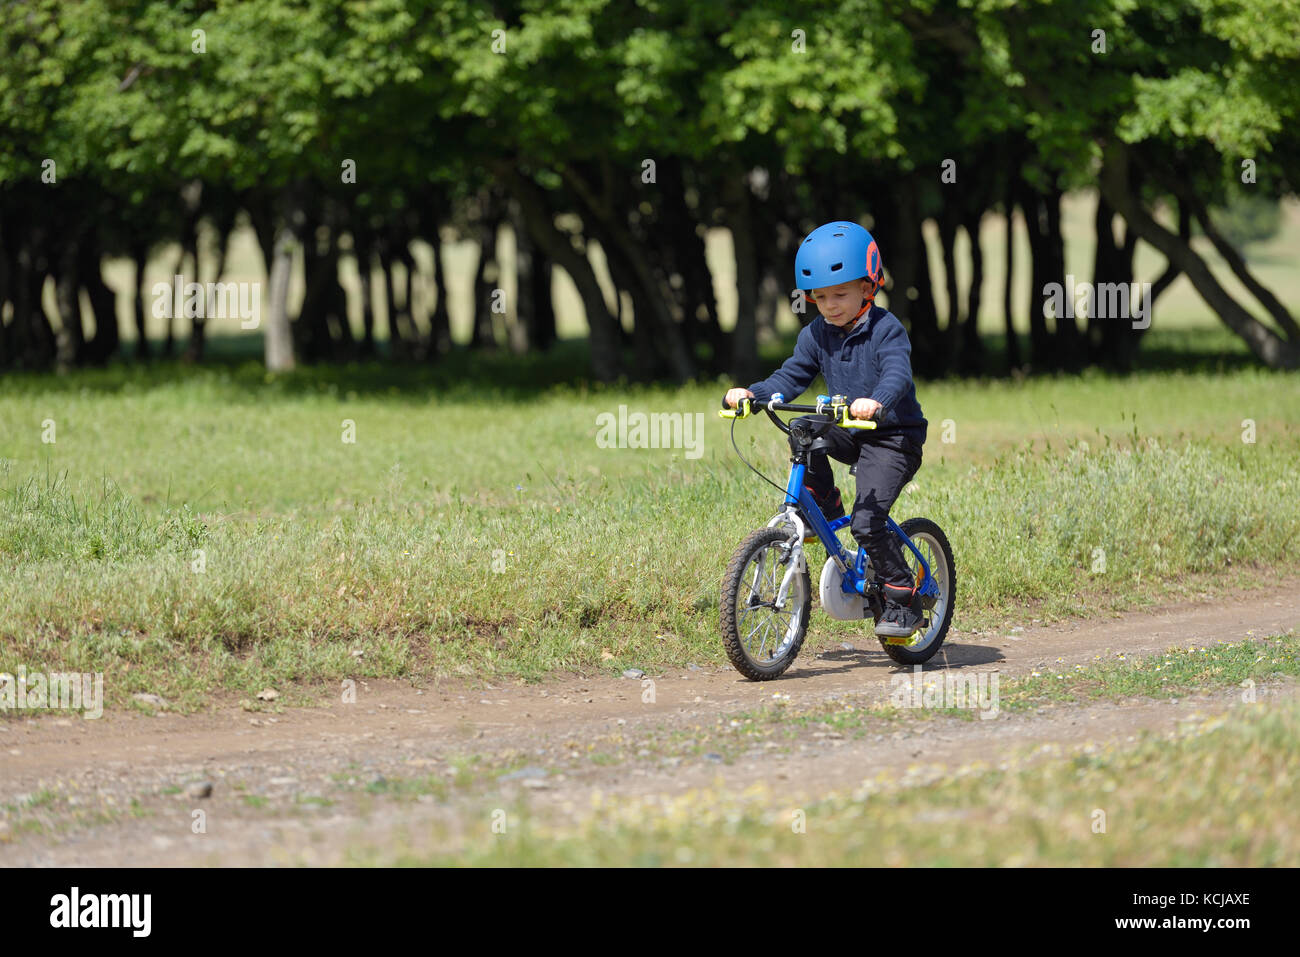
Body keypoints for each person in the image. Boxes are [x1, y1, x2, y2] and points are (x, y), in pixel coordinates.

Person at [724, 221, 928, 638]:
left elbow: (896, 375)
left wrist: (877, 401)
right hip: (849, 430)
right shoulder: (817, 333)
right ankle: (824, 505)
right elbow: (790, 376)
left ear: (869, 288)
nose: (829, 305)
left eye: (840, 294)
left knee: (869, 522)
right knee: (803, 427)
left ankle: (904, 595)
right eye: (819, 297)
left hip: (893, 437)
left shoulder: (886, 330)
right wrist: (754, 393)